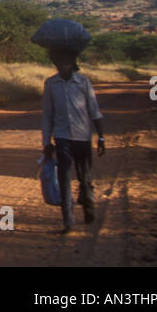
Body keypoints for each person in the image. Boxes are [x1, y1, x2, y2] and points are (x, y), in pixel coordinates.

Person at [41, 47, 105, 233]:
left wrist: (101, 137)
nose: (62, 66)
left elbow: (94, 112)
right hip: (62, 138)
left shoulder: (83, 83)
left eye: (66, 63)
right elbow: (48, 115)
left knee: (84, 177)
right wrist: (46, 142)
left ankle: (88, 207)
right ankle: (68, 222)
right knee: (64, 178)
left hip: (82, 137)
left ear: (73, 64)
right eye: (59, 63)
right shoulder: (51, 84)